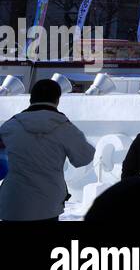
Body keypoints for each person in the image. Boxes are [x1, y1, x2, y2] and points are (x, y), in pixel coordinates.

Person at [0, 78, 95, 221]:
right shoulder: (66, 128)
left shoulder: (9, 127)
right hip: (48, 206)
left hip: (13, 203)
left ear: (31, 99)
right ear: (57, 100)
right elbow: (84, 158)